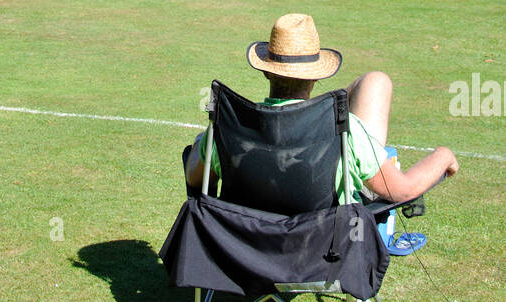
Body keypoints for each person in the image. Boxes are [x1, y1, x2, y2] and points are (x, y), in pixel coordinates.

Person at [184, 13, 459, 204]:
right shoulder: (347, 133)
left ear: (266, 73)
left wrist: (203, 143)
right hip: (324, 253)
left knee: (375, 82)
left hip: (242, 251)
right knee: (376, 84)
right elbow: (402, 191)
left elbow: (194, 179)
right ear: (316, 76)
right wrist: (443, 155)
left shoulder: (228, 130)